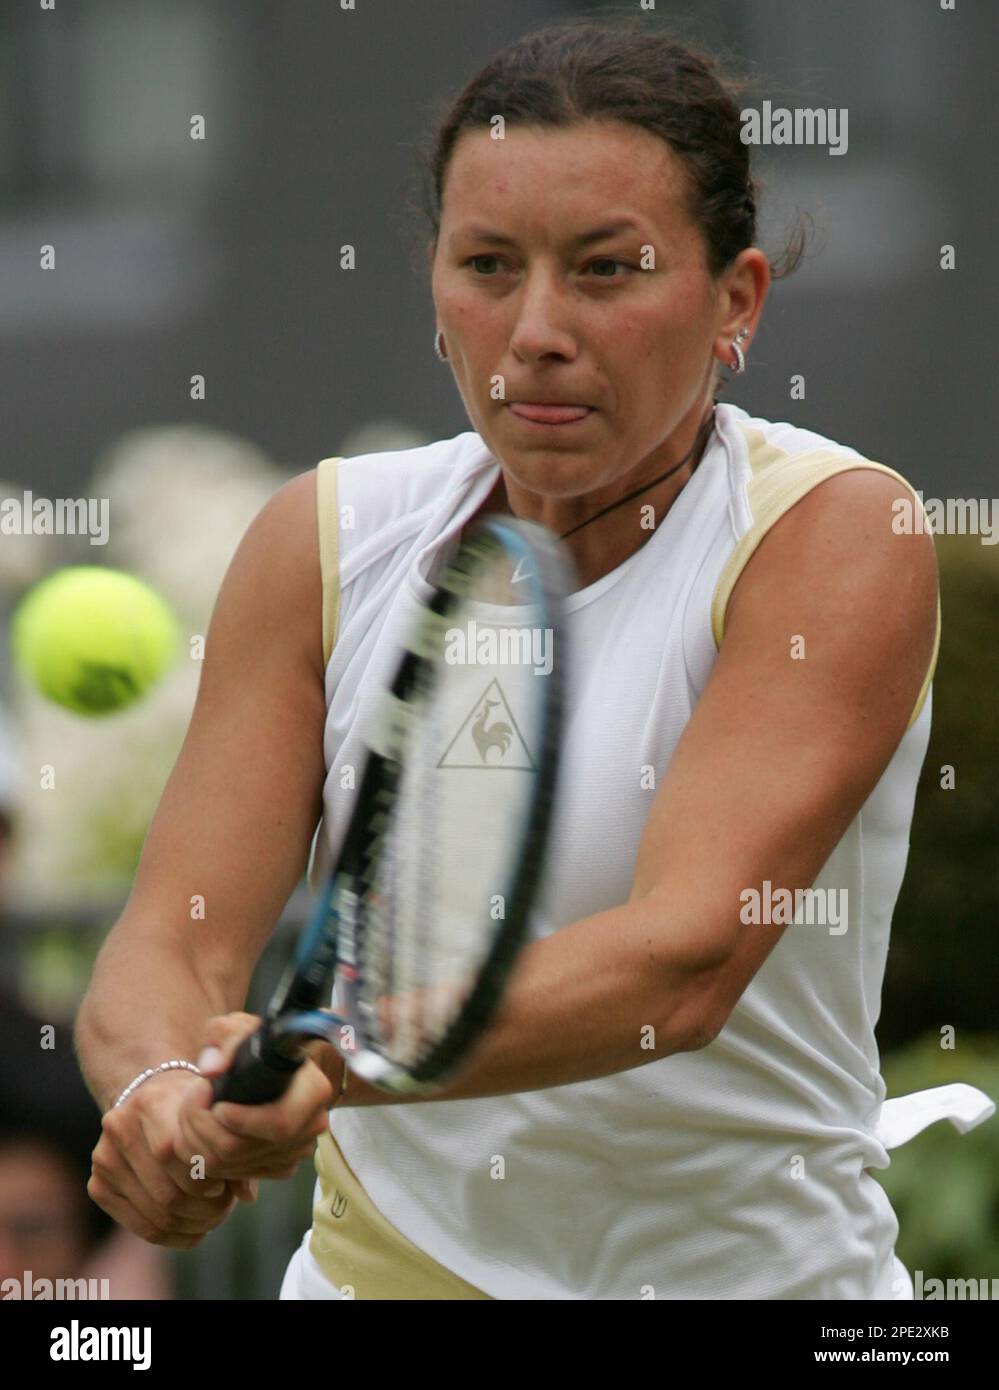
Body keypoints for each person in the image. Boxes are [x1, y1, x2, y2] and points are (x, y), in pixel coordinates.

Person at [75, 17, 993, 1300]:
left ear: (737, 299)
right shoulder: (322, 540)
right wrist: (171, 1091)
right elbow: (172, 943)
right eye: (489, 265)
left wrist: (330, 1055)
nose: (538, 329)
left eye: (608, 270)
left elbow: (680, 962)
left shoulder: (835, 532)